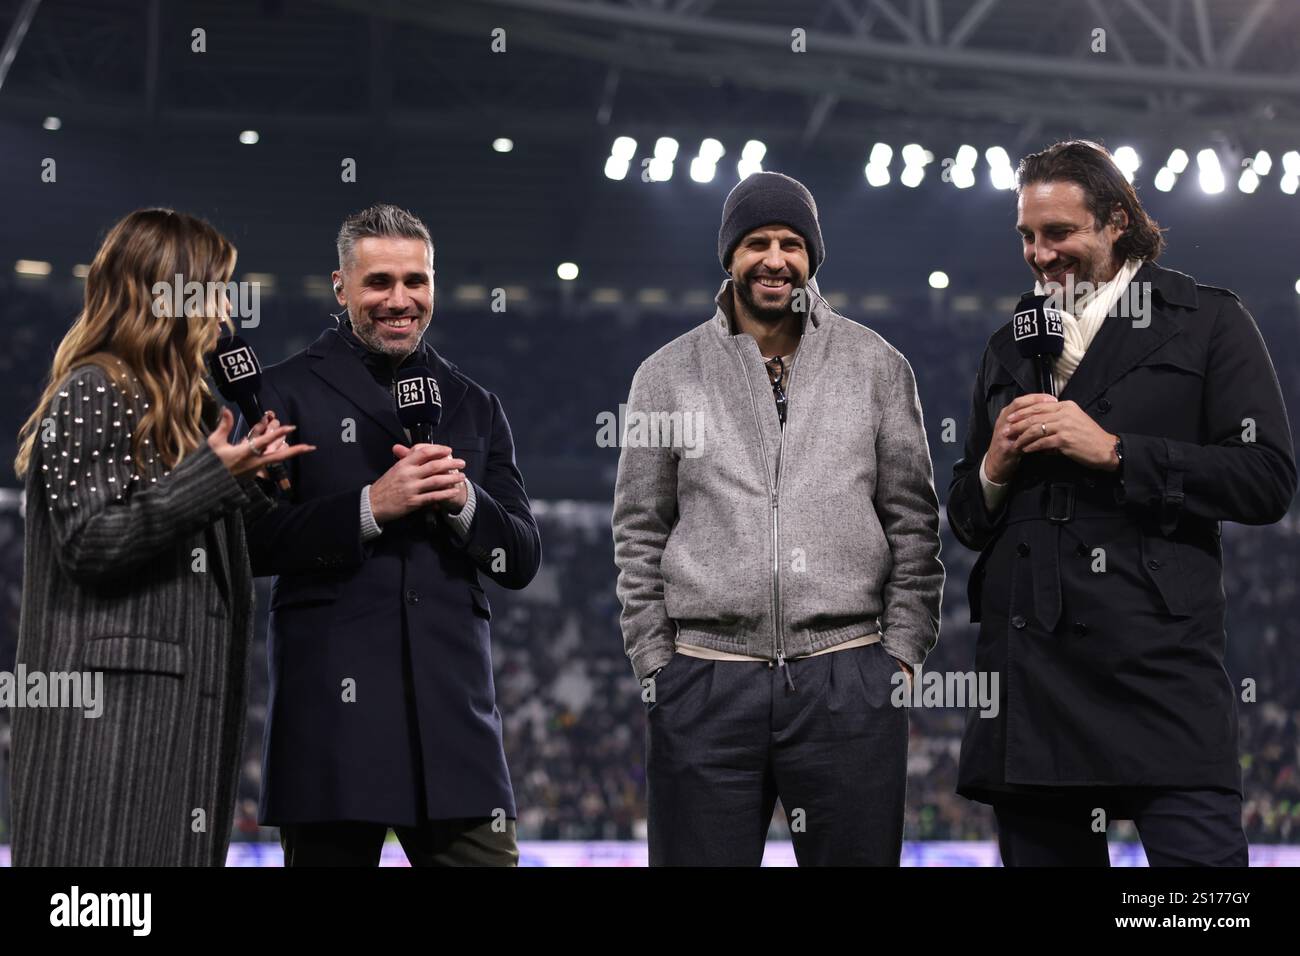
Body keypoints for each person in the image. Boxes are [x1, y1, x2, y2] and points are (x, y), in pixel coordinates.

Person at [948, 140, 1297, 866]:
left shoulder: (1207, 321)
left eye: (1058, 233)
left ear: (1114, 221)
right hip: (1032, 689)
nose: (1040, 254)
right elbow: (969, 517)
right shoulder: (1008, 346)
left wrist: (1117, 452)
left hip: (1159, 679)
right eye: (1027, 237)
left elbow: (1265, 478)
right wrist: (993, 465)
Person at [612, 171, 944, 866]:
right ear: (729, 256)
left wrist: (902, 656)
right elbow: (639, 530)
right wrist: (655, 663)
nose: (774, 258)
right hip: (704, 680)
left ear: (812, 257)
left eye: (792, 243)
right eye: (756, 241)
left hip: (846, 676)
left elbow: (915, 522)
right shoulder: (666, 374)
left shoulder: (876, 366)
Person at [10, 208, 310, 866]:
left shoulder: (189, 409)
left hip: (178, 723)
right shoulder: (92, 390)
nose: (228, 310)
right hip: (106, 733)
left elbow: (196, 542)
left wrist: (254, 481)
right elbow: (90, 543)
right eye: (216, 288)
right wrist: (212, 476)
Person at [244, 203, 541, 866]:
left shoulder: (474, 403)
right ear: (341, 287)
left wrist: (464, 499)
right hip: (333, 725)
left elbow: (520, 556)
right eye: (379, 282)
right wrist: (371, 507)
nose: (400, 300)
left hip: (455, 725)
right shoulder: (282, 393)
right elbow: (249, 541)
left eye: (416, 281)